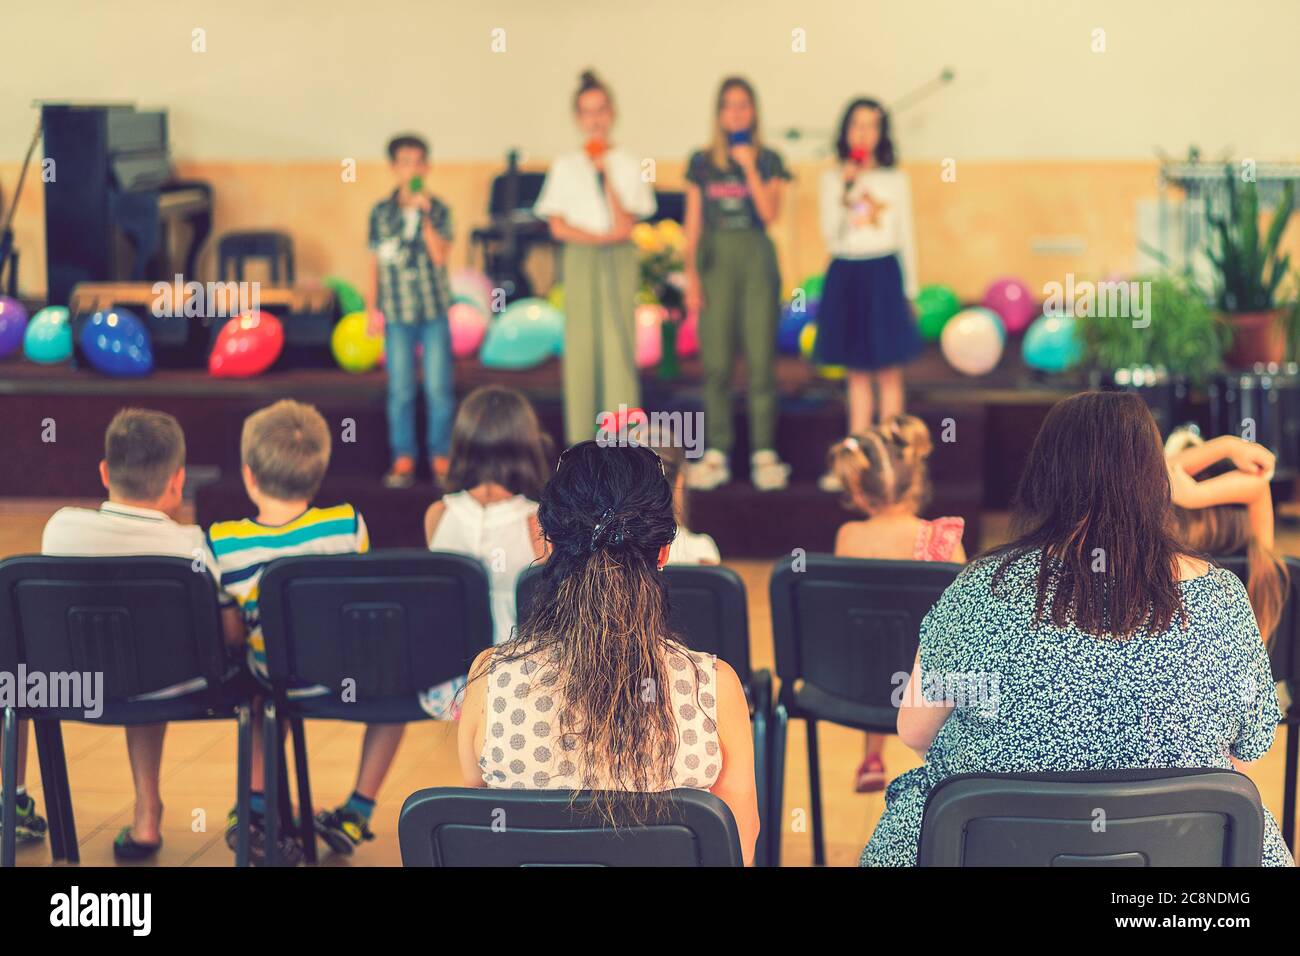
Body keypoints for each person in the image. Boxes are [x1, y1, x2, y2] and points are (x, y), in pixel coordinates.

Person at [862, 391, 1293, 867]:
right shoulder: (1224, 597)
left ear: (1045, 476)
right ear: (1157, 480)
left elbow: (914, 731)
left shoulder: (979, 588)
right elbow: (1249, 748)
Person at [456, 441, 760, 864]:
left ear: (546, 544)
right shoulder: (714, 689)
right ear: (663, 553)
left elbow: (476, 837)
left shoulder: (490, 680)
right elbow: (736, 849)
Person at [209, 400, 451, 862]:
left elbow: (232, 634)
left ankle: (256, 804)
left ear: (249, 475)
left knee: (257, 688)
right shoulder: (346, 522)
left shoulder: (223, 540)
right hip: (350, 674)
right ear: (317, 472)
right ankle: (357, 808)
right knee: (395, 688)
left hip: (279, 682)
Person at [30, 409, 232, 860]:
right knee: (148, 661)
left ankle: (19, 797)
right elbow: (226, 630)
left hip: (74, 686)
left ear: (105, 472)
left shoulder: (60, 529)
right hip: (173, 685)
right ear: (178, 481)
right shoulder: (194, 547)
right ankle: (158, 812)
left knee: (116, 658)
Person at [826, 415, 964, 792]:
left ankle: (872, 756)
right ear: (915, 480)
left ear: (858, 490)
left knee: (874, 639)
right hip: (924, 682)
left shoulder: (849, 536)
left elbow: (849, 607)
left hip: (857, 680)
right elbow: (962, 616)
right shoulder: (943, 538)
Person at [534, 70, 656, 446]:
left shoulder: (628, 162)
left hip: (617, 257)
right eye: (587, 112)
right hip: (581, 257)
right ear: (577, 118)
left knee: (618, 347)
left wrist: (606, 175)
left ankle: (625, 449)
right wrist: (596, 236)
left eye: (601, 110)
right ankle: (581, 449)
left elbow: (625, 224)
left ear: (612, 112)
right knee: (582, 346)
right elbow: (556, 226)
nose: (595, 119)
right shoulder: (565, 164)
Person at [683, 76, 792, 492]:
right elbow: (692, 224)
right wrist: (690, 277)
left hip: (756, 261)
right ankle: (718, 451)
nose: (737, 113)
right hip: (715, 264)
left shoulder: (768, 160)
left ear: (754, 111)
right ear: (719, 113)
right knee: (716, 364)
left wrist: (748, 166)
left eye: (744, 105)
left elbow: (769, 215)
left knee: (762, 358)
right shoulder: (701, 162)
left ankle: (764, 452)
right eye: (728, 105)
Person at [815, 99, 921, 491]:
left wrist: (911, 288)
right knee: (856, 374)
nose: (863, 134)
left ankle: (892, 462)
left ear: (882, 133)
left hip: (883, 273)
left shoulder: (895, 178)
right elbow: (830, 234)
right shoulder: (831, 179)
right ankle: (854, 465)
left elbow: (906, 234)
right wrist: (845, 186)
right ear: (845, 131)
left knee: (889, 371)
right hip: (847, 271)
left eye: (871, 126)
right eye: (856, 126)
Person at [424, 386, 551, 645]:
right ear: (527, 445)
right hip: (519, 675)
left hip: (451, 677)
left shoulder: (438, 514)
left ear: (461, 443)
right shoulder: (539, 522)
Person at [367, 133, 456, 489]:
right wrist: (373, 308)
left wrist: (425, 216)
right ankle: (403, 457)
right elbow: (374, 262)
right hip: (397, 313)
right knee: (400, 389)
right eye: (405, 162)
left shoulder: (439, 208)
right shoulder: (380, 212)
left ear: (427, 167)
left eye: (419, 161)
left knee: (438, 388)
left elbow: (440, 255)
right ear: (394, 168)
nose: (412, 168)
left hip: (433, 310)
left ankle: (441, 456)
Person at [1166, 428, 1288, 644]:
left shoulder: (1175, 579)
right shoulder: (1264, 569)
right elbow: (1258, 486)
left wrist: (1226, 445)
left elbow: (1160, 473)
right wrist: (1197, 494)